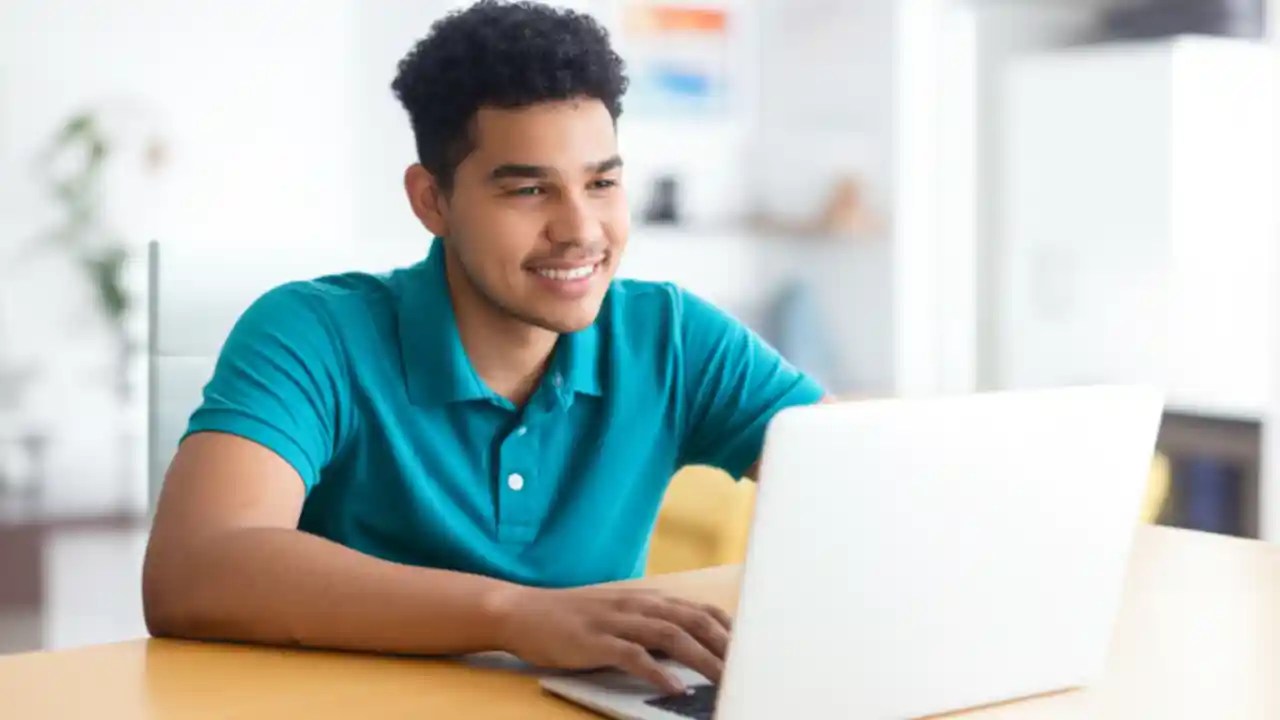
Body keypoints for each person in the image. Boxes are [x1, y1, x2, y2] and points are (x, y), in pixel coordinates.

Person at [142, 0, 826, 695]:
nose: (580, 230)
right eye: (530, 190)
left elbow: (869, 485)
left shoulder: (674, 339)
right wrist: (517, 616)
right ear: (431, 201)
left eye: (602, 183)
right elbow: (194, 569)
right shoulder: (311, 333)